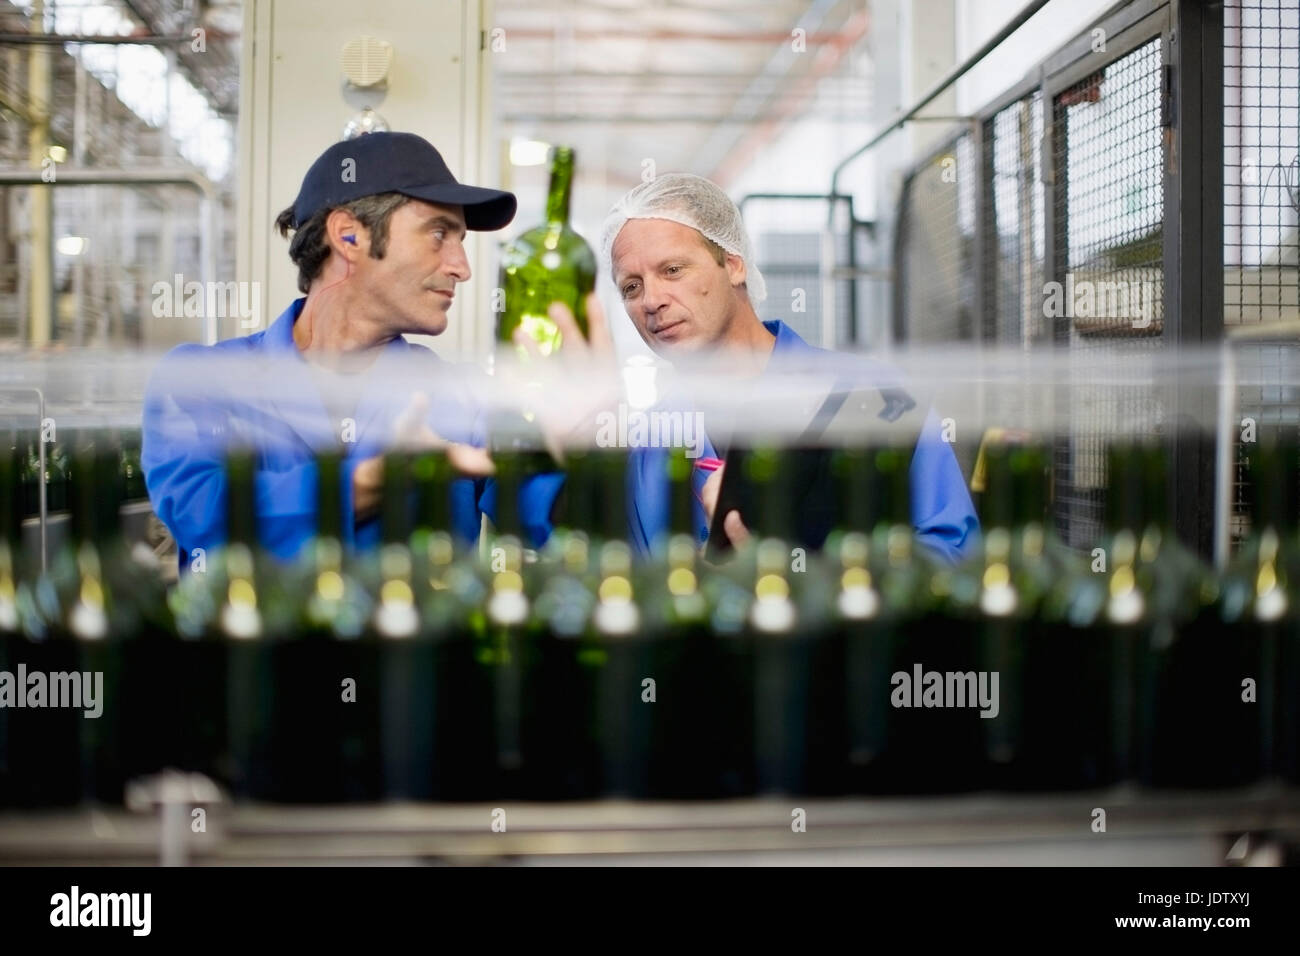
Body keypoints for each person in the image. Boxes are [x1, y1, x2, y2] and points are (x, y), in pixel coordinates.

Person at [142, 131, 564, 572]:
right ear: (348, 236)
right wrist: (371, 482)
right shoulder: (201, 379)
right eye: (439, 233)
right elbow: (207, 519)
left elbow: (561, 519)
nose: (462, 267)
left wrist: (580, 438)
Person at [599, 173, 979, 563]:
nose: (651, 300)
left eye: (673, 270)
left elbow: (953, 554)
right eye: (631, 287)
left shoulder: (873, 397)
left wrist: (809, 574)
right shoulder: (648, 444)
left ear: (733, 265)